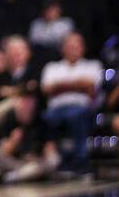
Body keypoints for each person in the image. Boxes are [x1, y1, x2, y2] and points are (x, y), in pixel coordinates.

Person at [40, 32, 102, 176]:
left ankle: (80, 161)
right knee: (46, 117)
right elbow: (47, 89)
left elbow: (91, 87)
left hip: (82, 109)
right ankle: (57, 162)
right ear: (62, 49)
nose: (73, 50)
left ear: (83, 48)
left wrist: (60, 85)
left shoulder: (92, 65)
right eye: (69, 47)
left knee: (76, 115)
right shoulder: (52, 67)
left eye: (76, 46)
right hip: (55, 110)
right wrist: (77, 84)